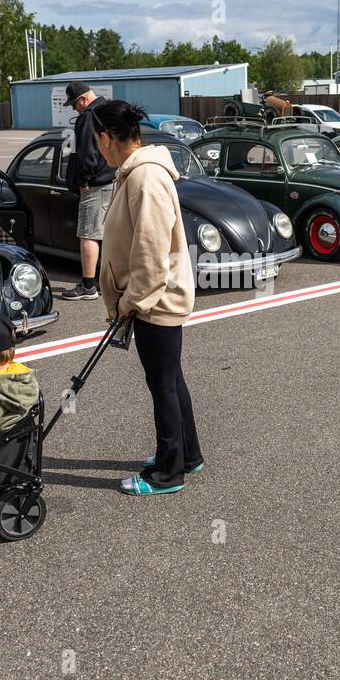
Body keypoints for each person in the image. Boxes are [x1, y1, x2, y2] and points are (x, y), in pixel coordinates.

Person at [95, 100, 203, 496]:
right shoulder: (134, 175)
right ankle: (187, 455)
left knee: (163, 385)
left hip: (155, 300)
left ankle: (168, 472)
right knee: (170, 379)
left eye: (96, 140)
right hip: (150, 298)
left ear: (107, 138)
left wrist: (129, 304)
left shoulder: (145, 180)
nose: (97, 149)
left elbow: (152, 256)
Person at [60, 81, 115, 301]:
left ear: (83, 99)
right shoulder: (108, 110)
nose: (74, 109)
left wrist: (83, 182)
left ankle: (88, 285)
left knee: (88, 235)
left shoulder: (88, 116)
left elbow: (86, 153)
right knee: (109, 235)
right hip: (112, 179)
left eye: (75, 104)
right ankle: (109, 280)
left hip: (95, 184)